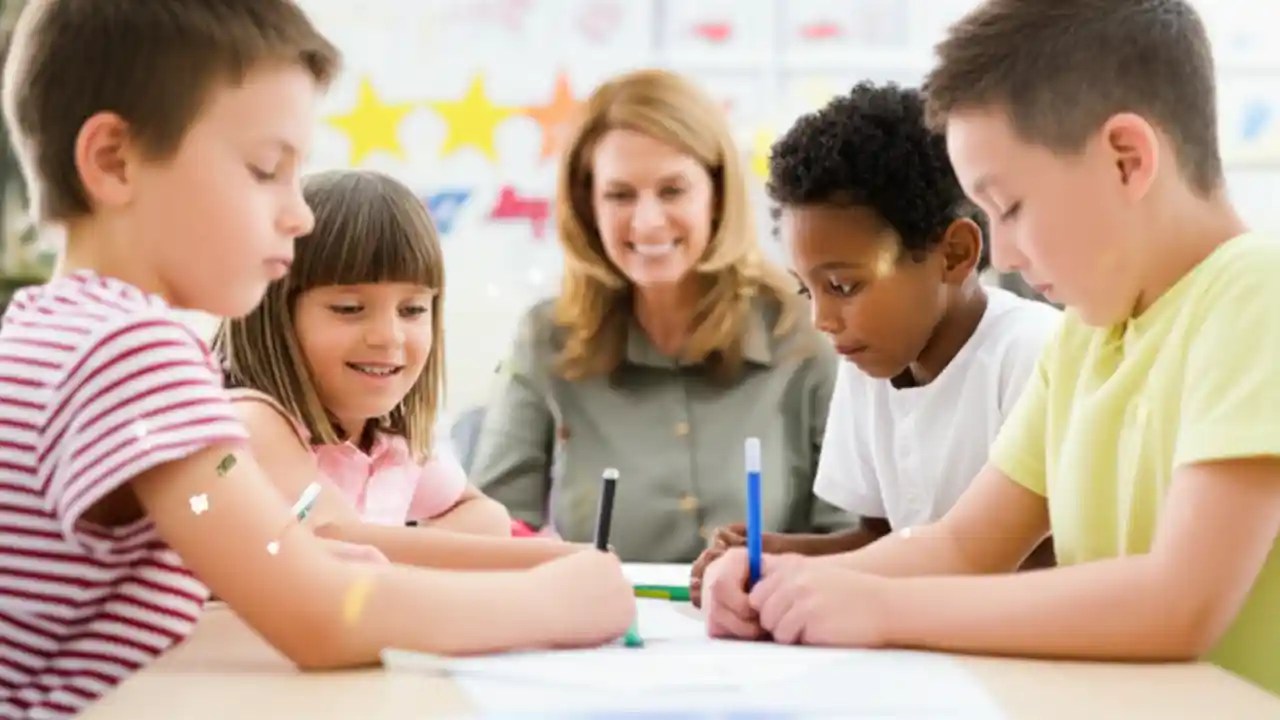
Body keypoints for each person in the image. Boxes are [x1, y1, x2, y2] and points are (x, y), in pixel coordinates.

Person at [0, 2, 631, 716]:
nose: (299, 215)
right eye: (266, 169)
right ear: (115, 162)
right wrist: (550, 601)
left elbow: (258, 561)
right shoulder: (130, 352)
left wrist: (304, 564)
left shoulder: (55, 331)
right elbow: (326, 619)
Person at [701, 0, 1280, 698]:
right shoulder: (1083, 337)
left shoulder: (1257, 295)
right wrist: (787, 583)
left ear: (1126, 160)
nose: (999, 250)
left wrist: (879, 608)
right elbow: (963, 547)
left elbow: (1176, 603)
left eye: (1009, 207)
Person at [688, 82, 1060, 605]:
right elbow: (881, 542)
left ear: (953, 255)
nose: (822, 319)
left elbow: (1026, 562)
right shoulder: (872, 360)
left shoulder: (1031, 353)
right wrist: (771, 557)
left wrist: (795, 574)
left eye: (843, 286)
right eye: (806, 288)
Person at [470, 68, 849, 563]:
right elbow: (490, 531)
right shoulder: (547, 338)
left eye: (673, 191)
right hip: (602, 629)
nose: (647, 221)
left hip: (772, 629)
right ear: (588, 205)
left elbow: (852, 540)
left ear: (716, 194)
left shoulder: (804, 330)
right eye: (620, 194)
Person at [216, 169, 591, 568]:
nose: (388, 336)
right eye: (349, 309)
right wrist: (558, 557)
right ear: (273, 316)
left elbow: (487, 517)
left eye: (412, 310)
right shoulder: (251, 422)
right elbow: (334, 537)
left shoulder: (390, 446)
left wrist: (410, 551)